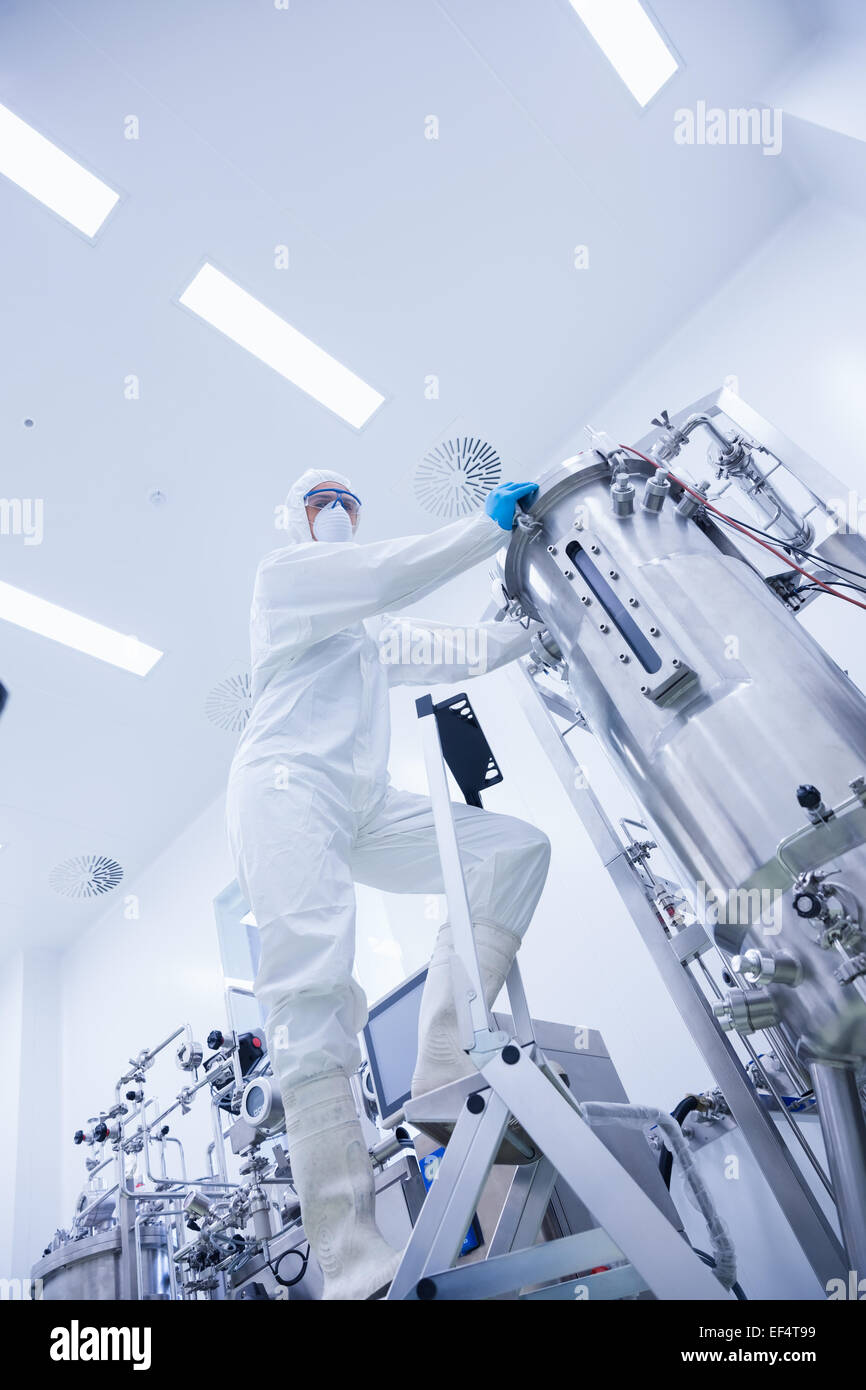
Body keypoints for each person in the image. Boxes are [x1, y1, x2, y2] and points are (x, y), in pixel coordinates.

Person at [226, 467, 551, 1300]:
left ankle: (442, 1067)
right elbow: (381, 574)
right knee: (314, 986)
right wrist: (486, 527)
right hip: (288, 784)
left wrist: (530, 603)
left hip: (364, 805)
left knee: (512, 850)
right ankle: (352, 1257)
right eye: (320, 501)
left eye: (349, 502)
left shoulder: (370, 639)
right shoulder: (284, 581)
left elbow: (466, 647)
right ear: (293, 519)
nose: (337, 512)